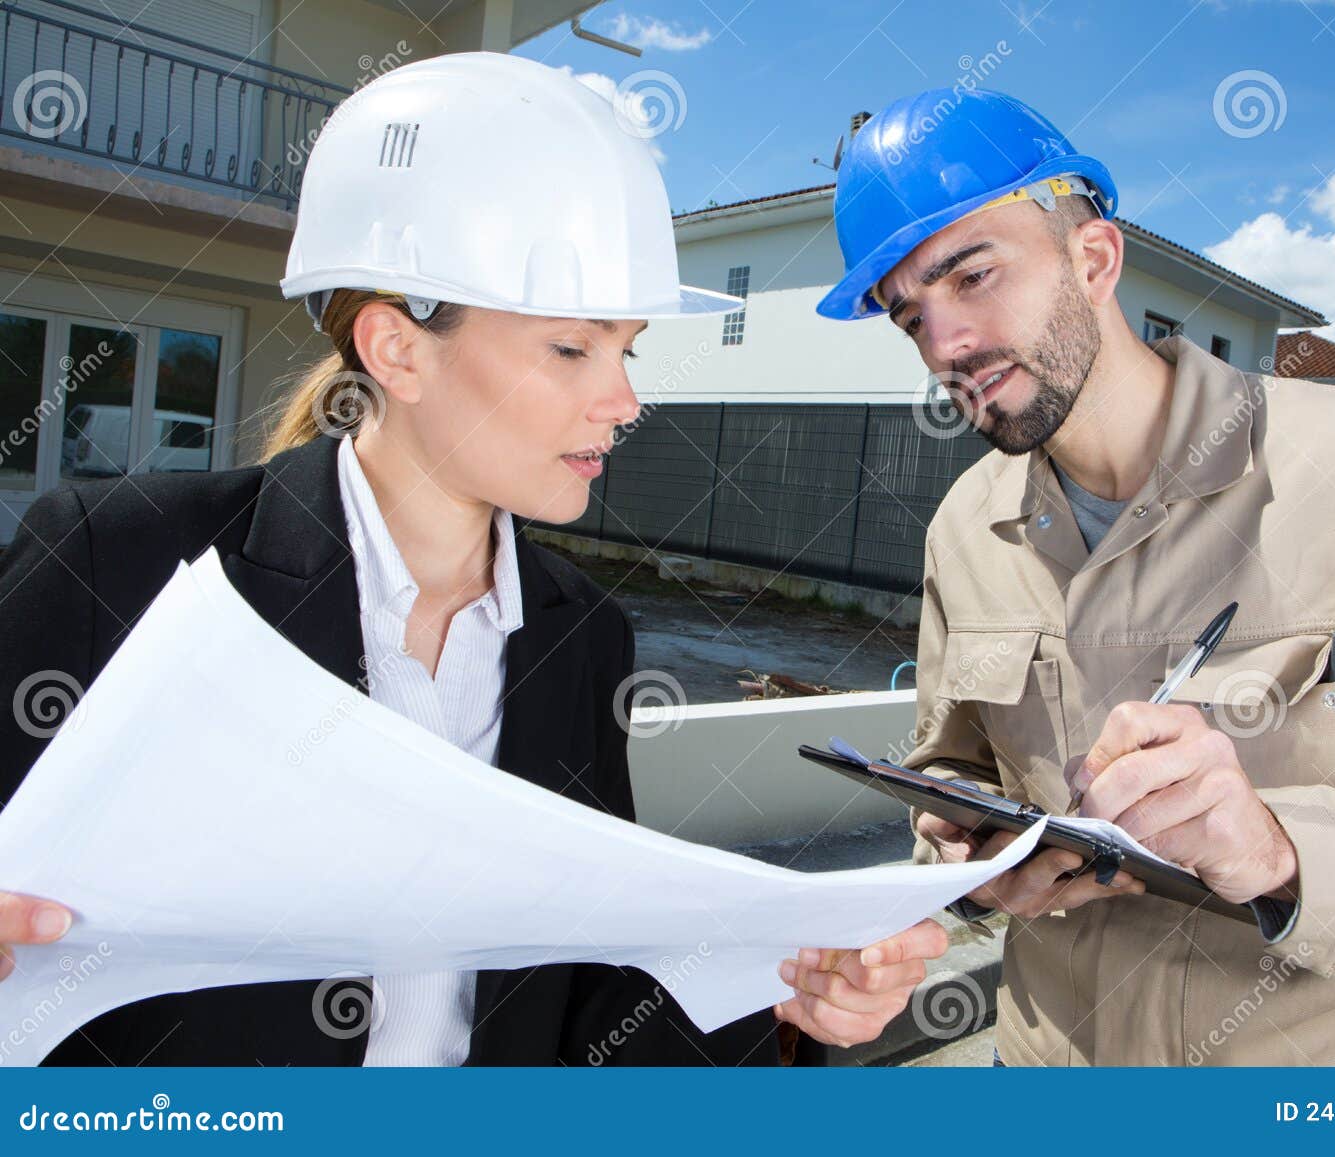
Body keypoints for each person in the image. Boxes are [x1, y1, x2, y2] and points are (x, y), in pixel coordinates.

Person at [0, 52, 946, 1066]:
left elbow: (576, 1004)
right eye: (571, 348)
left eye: (626, 349)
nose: (624, 400)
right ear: (398, 350)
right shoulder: (121, 562)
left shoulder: (582, 634)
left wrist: (783, 1003)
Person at [816, 87, 1335, 1065]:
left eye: (971, 277)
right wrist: (965, 865)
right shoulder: (966, 529)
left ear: (1093, 258)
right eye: (908, 318)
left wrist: (1279, 850)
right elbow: (952, 773)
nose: (944, 345)